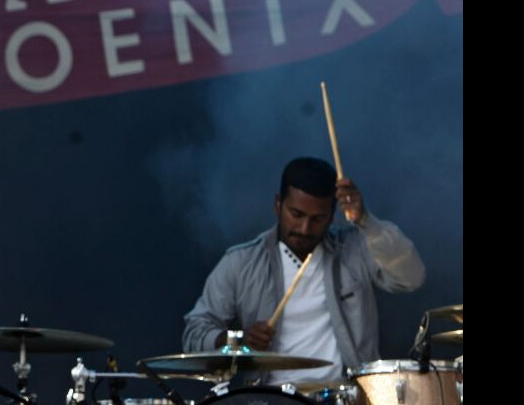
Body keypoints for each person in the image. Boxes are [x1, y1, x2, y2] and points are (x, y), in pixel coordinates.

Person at [181, 157, 425, 386]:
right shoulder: (241, 262)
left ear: (332, 215)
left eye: (317, 219)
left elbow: (412, 278)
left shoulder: (356, 248)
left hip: (347, 394)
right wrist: (237, 341)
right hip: (269, 397)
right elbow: (195, 332)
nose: (305, 228)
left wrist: (366, 221)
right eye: (296, 214)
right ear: (278, 205)